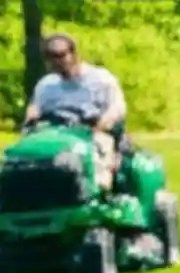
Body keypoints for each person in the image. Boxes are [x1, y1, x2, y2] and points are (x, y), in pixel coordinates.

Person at [24, 33, 126, 192]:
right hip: (56, 134)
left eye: (60, 55)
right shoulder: (46, 85)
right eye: (50, 57)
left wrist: (103, 123)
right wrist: (32, 115)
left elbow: (116, 108)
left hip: (92, 131)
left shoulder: (101, 79)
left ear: (74, 54)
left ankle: (100, 193)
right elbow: (35, 108)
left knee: (97, 150)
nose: (56, 61)